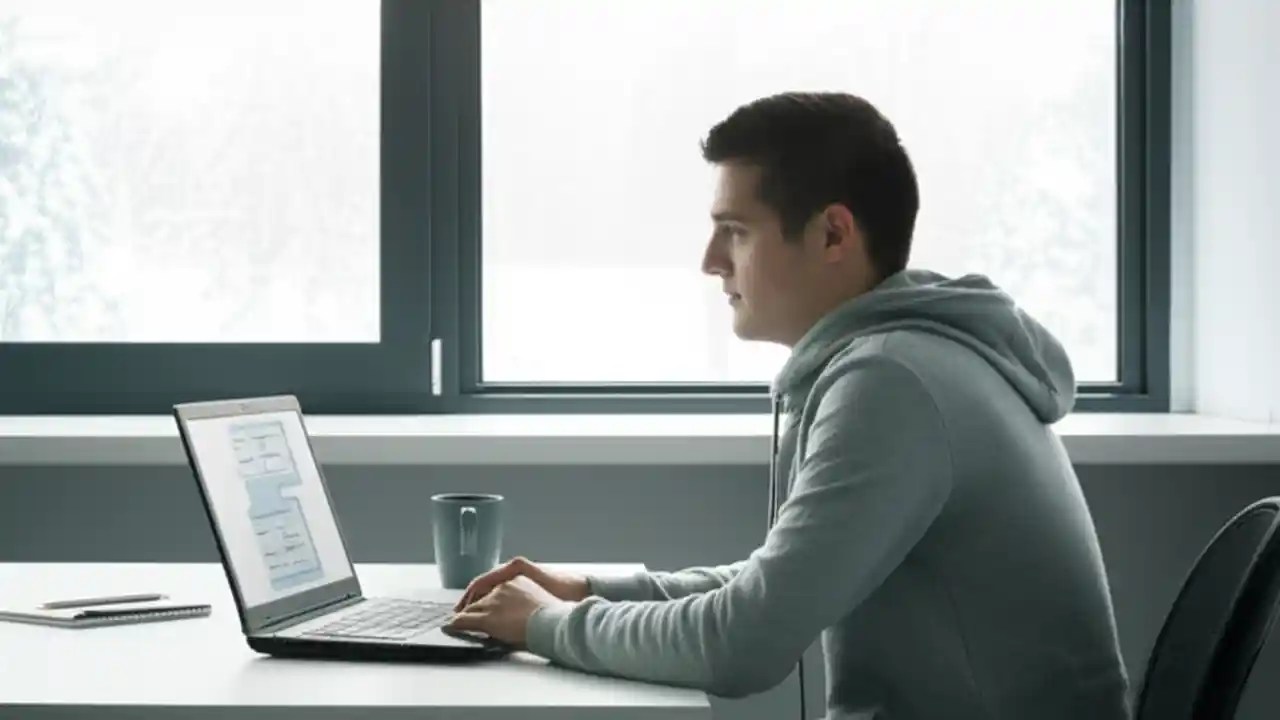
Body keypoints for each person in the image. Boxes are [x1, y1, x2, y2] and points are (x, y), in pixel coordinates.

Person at [445, 91, 1132, 719]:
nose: (711, 260)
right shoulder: (910, 361)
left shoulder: (892, 384)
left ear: (834, 235)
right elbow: (776, 585)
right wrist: (589, 589)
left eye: (736, 230)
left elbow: (743, 644)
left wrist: (544, 625)